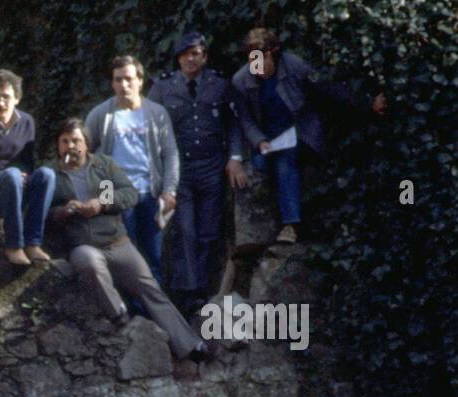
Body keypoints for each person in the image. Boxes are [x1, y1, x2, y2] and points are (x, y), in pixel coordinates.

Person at [46, 119, 213, 364]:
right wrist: (63, 211)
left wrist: (101, 203)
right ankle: (119, 315)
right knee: (89, 262)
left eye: (76, 140)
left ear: (86, 144)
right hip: (82, 244)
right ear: (58, 145)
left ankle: (190, 345)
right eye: (65, 141)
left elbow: (128, 193)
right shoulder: (51, 174)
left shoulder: (102, 165)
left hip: (117, 242)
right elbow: (41, 213)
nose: (71, 146)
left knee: (150, 289)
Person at [230, 27, 387, 244]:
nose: (257, 66)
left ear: (273, 52)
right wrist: (260, 141)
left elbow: (327, 88)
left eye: (261, 59)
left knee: (285, 159)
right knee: (261, 164)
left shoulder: (294, 65)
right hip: (268, 139)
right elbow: (246, 120)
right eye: (252, 61)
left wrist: (367, 103)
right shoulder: (240, 81)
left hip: (300, 132)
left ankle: (291, 225)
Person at [148, 32, 247, 314]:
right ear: (178, 58)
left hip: (212, 168)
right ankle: (188, 293)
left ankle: (203, 290)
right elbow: (149, 127)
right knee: (186, 231)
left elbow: (234, 124)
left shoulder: (219, 85)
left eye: (196, 54)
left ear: (204, 57)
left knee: (208, 232)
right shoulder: (163, 88)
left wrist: (235, 157)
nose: (190, 59)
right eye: (185, 54)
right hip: (179, 170)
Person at [85, 55, 180, 286]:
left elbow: (170, 153)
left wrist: (169, 190)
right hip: (118, 196)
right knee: (123, 257)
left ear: (140, 81)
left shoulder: (156, 113)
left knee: (153, 256)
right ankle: (127, 306)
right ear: (112, 83)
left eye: (128, 79)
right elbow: (87, 156)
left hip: (149, 194)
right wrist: (104, 196)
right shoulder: (101, 114)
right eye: (118, 80)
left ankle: (155, 306)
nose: (124, 85)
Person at [0, 68, 55, 267]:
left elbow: (28, 160)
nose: (1, 103)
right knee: (12, 174)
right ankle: (13, 245)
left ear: (16, 99)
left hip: (19, 181)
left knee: (47, 174)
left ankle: (33, 243)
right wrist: (13, 174)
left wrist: (25, 175)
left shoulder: (27, 122)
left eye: (6, 97)